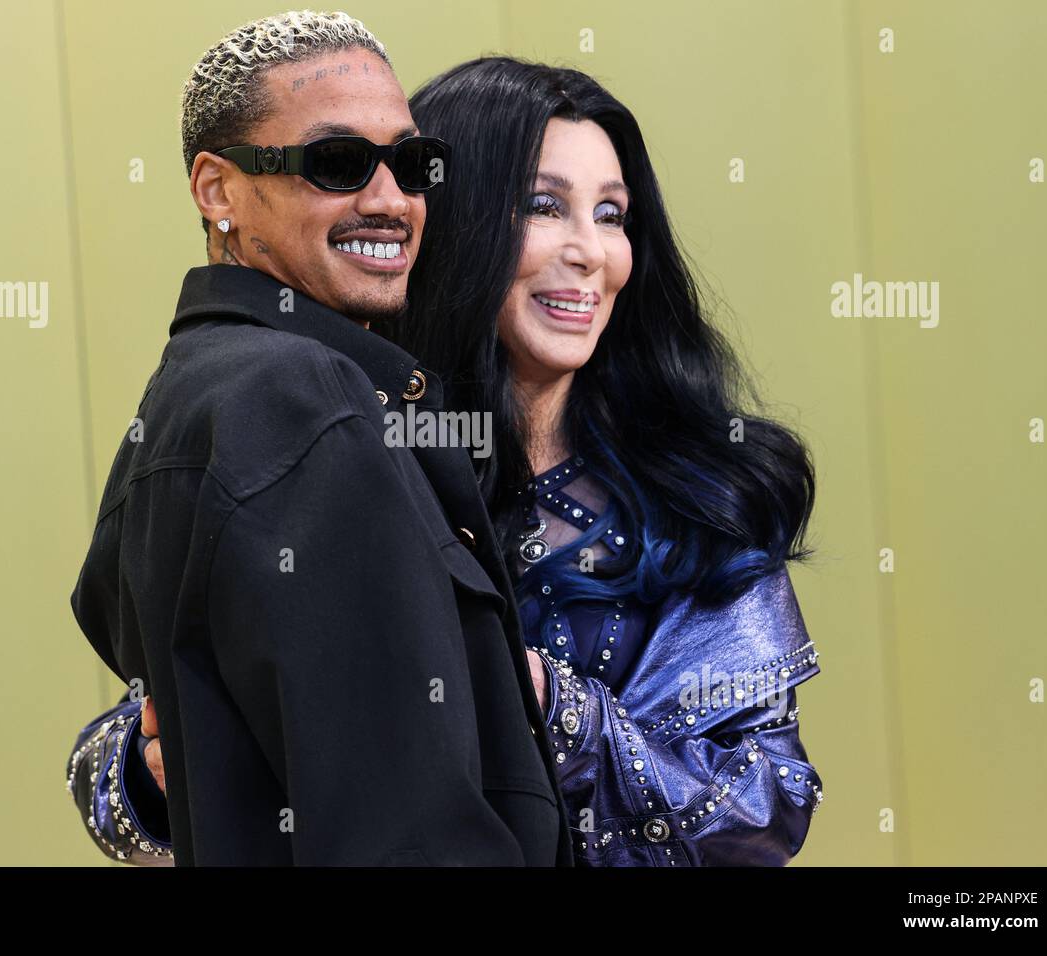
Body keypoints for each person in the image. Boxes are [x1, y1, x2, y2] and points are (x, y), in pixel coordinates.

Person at [71, 52, 826, 867]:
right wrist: (155, 772)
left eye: (612, 216)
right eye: (544, 207)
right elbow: (130, 744)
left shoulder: (694, 492)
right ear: (448, 219)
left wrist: (532, 702)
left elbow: (767, 807)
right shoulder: (342, 442)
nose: (589, 253)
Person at [66, 14, 571, 867]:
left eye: (412, 164)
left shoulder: (195, 398)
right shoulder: (303, 399)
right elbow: (405, 837)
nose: (391, 199)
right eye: (336, 164)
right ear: (216, 189)